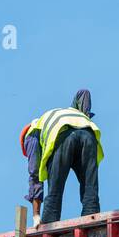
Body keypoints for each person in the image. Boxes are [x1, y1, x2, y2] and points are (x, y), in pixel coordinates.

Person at [20, 89, 103, 225]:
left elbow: (34, 173)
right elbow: (83, 93)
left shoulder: (31, 134)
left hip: (62, 138)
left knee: (54, 193)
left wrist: (36, 215)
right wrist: (84, 115)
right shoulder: (66, 112)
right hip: (88, 134)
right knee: (90, 191)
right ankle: (92, 225)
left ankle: (48, 230)